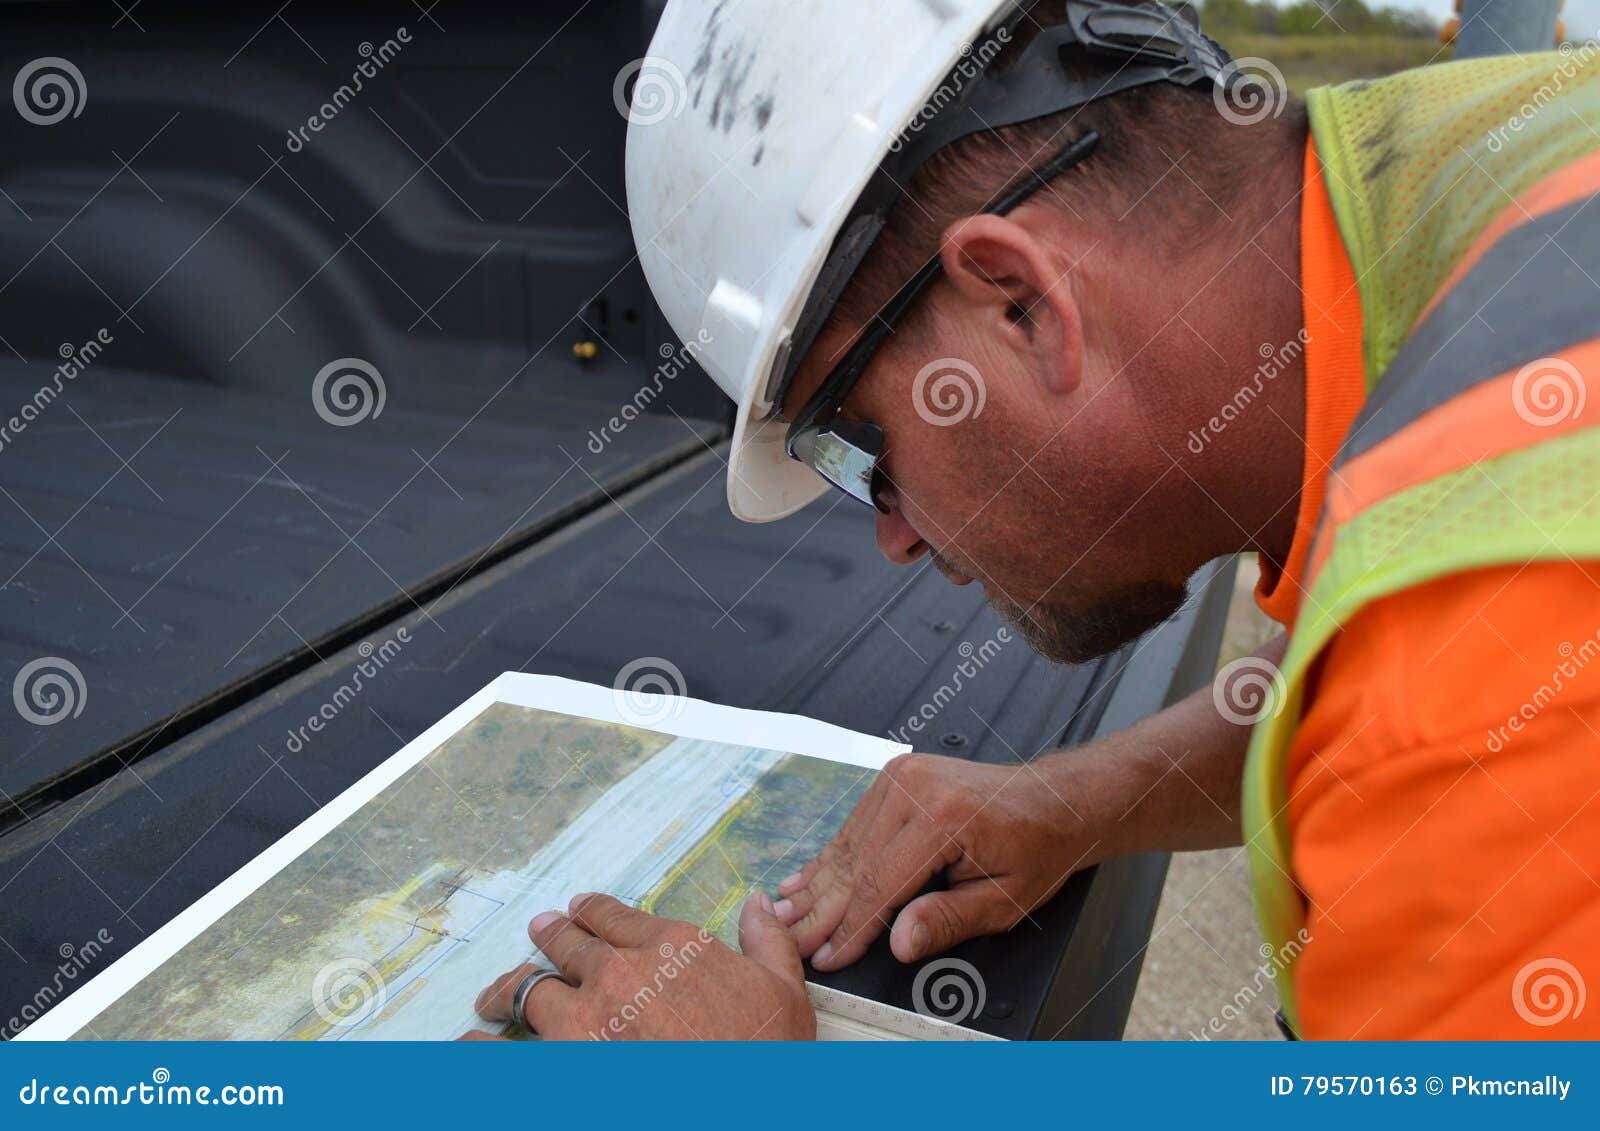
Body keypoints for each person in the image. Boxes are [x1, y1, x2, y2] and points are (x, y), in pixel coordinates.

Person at [468, 0, 1600, 1040]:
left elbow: (1448, 717)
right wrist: (1076, 800)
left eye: (853, 444)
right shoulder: (1460, 157)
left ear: (1019, 304)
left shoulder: (1482, 664)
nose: (894, 537)